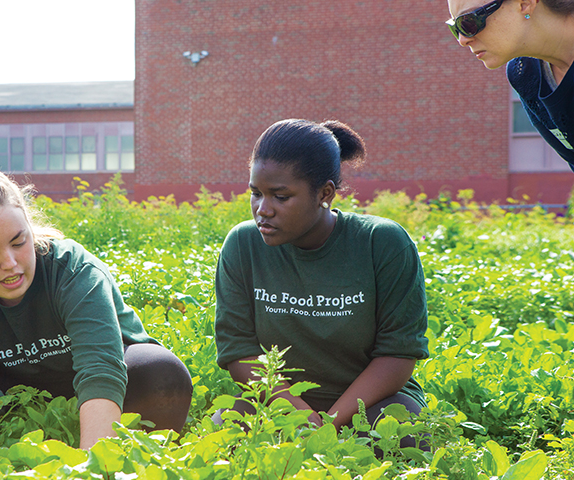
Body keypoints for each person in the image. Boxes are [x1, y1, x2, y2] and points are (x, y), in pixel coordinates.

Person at [0, 169, 192, 463]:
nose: (10, 263)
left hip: (108, 376)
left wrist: (91, 472)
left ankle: (131, 459)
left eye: (18, 242)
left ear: (29, 227)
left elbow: (100, 369)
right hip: (21, 388)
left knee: (162, 373)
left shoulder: (72, 270)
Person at [213, 119, 429, 445]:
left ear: (325, 193)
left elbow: (398, 355)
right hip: (279, 404)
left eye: (280, 197)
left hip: (371, 405)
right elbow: (240, 351)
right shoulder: (243, 245)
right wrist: (299, 417)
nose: (263, 210)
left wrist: (328, 424)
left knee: (404, 436)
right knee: (224, 430)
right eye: (256, 193)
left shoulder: (381, 242)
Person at [446, 0, 574, 170]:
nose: (462, 40)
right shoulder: (524, 74)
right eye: (455, 28)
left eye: (469, 22)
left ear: (525, 3)